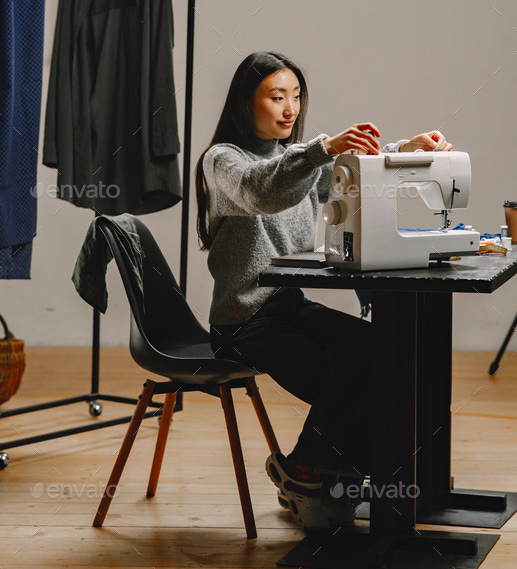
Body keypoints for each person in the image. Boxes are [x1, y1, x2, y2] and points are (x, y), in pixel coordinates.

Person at [194, 50, 452, 532]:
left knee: (382, 353)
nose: (290, 109)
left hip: (290, 308)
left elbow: (348, 175)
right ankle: (320, 475)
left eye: (295, 97)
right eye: (276, 97)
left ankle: (312, 472)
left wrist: (406, 150)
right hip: (242, 322)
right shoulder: (223, 161)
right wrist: (320, 150)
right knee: (356, 374)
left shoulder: (297, 163)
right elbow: (261, 190)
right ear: (243, 103)